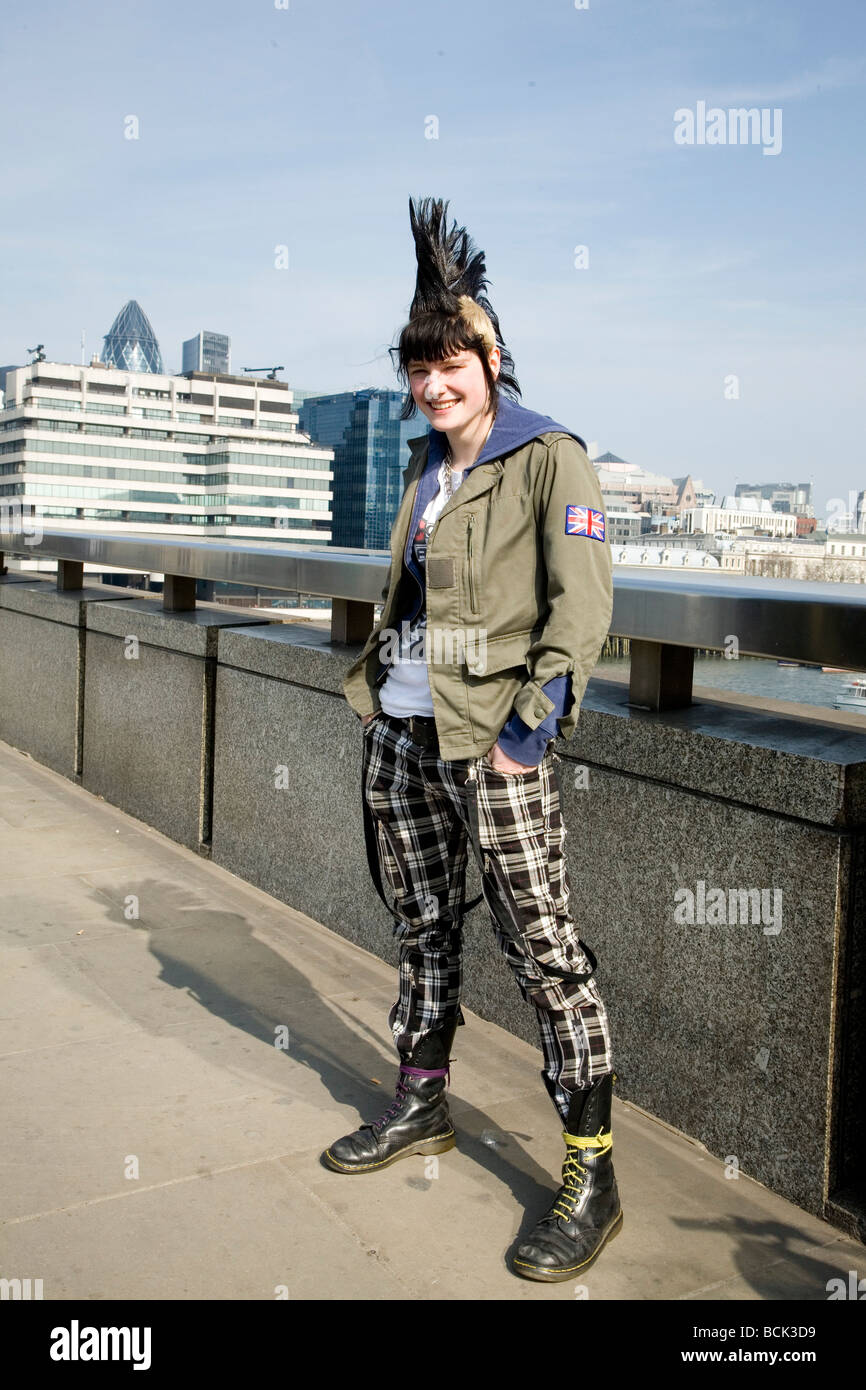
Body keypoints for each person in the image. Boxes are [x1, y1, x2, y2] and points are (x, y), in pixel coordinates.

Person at [322, 196, 621, 1282]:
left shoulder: (548, 458)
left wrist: (524, 737)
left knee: (543, 951)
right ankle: (422, 1105)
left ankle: (589, 1171)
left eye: (452, 362)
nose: (434, 383)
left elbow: (579, 614)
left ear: (492, 359)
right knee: (418, 925)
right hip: (401, 731)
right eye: (418, 368)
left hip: (489, 743)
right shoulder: (420, 466)